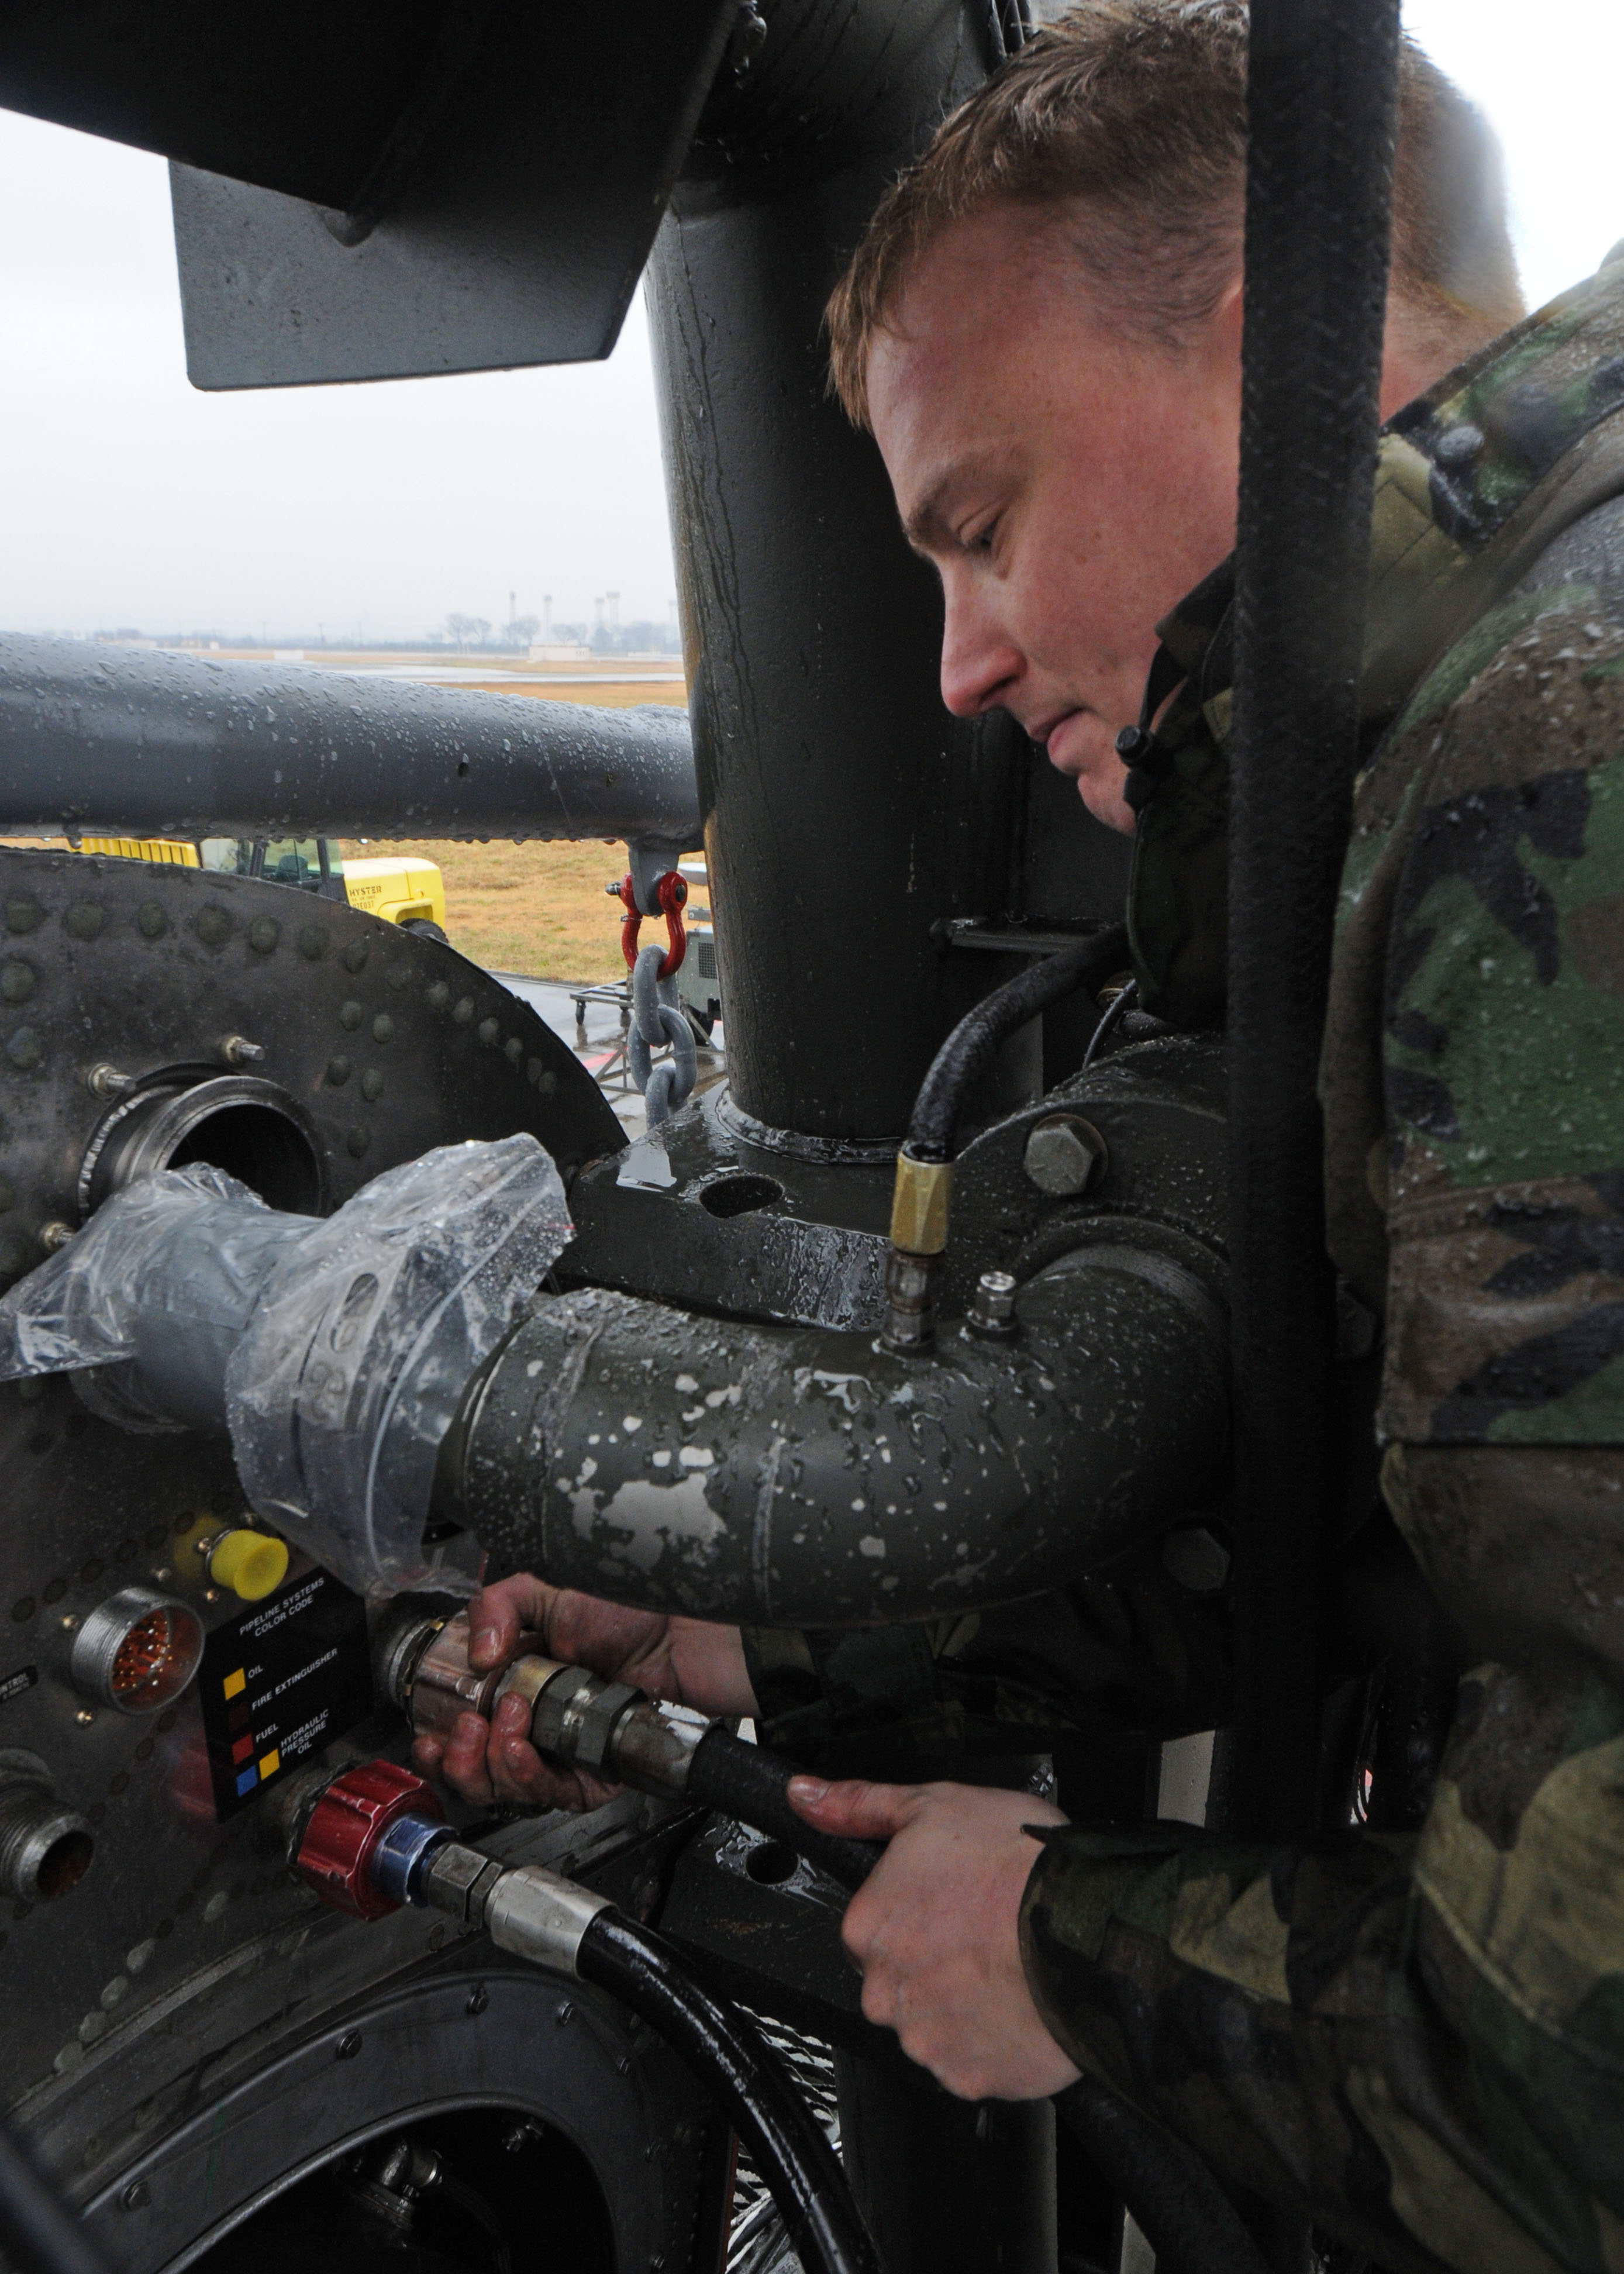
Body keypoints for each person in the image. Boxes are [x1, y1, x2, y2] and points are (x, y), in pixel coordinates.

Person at [420, 6, 1624, 2262]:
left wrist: (1079, 1957)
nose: (961, 665)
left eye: (981, 527)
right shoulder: (1463, 737)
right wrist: (754, 1643)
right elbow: (1352, 1520)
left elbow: (1595, 2076)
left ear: (1282, 352)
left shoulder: (1561, 763)